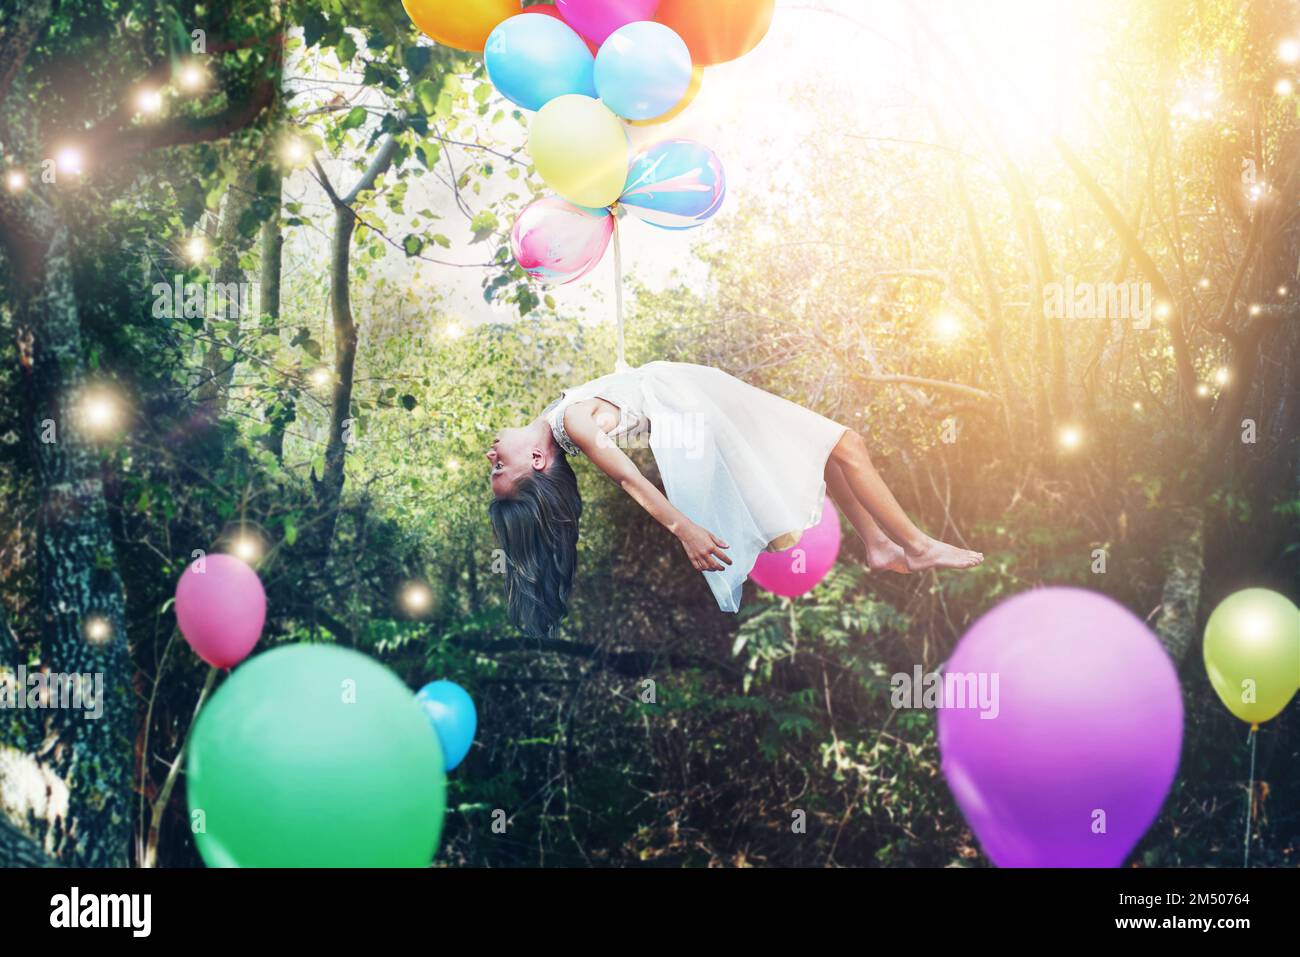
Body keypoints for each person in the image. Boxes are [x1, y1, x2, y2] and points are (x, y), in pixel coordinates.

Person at [488, 361, 982, 637]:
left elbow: (621, 410)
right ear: (535, 460)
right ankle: (915, 545)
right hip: (699, 402)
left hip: (694, 399)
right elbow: (630, 481)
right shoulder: (572, 424)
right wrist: (686, 529)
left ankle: (878, 543)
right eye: (498, 467)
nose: (491, 455)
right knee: (846, 444)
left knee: (828, 449)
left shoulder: (562, 419)